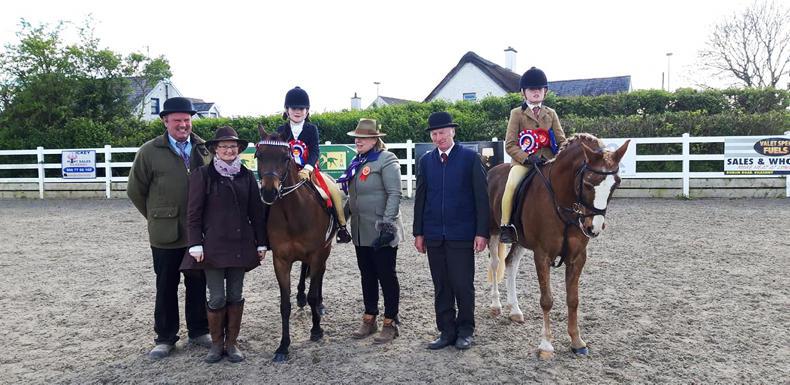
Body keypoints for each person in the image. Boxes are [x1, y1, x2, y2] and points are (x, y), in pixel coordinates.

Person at [127, 97, 212, 359]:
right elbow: (135, 191)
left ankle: (199, 330)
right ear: (165, 121)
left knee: (197, 282)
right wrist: (156, 217)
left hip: (198, 233)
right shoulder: (149, 152)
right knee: (166, 285)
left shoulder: (203, 149)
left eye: (187, 120)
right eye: (177, 120)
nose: (183, 125)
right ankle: (165, 337)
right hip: (165, 234)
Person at [179, 126, 267, 363]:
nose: (229, 150)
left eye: (233, 146)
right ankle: (217, 343)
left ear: (238, 149)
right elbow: (193, 214)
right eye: (224, 146)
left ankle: (232, 343)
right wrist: (195, 243)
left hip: (241, 244)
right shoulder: (202, 175)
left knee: (236, 294)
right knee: (217, 297)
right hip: (213, 246)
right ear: (215, 150)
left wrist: (261, 243)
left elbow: (256, 213)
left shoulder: (247, 176)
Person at [413, 111, 489, 350]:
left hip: (462, 233)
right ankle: (446, 331)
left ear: (452, 131)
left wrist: (482, 232)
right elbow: (421, 199)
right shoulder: (426, 161)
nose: (438, 137)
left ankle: (466, 330)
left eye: (442, 132)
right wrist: (419, 232)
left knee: (462, 284)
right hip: (434, 234)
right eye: (434, 133)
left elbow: (481, 199)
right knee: (441, 286)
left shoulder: (470, 159)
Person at [337, 119, 404, 344]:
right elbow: (352, 198)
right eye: (356, 138)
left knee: (386, 275)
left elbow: (395, 193)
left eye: (363, 138)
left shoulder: (387, 159)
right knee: (367, 275)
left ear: (375, 139)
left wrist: (387, 225)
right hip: (360, 230)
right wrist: (340, 220)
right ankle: (369, 317)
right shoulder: (357, 161)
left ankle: (390, 321)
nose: (358, 141)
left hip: (381, 230)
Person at [499, 67, 567, 244]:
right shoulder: (517, 113)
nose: (536, 92)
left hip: (549, 161)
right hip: (525, 163)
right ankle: (506, 226)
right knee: (511, 186)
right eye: (531, 89)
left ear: (545, 91)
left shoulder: (551, 113)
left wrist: (558, 157)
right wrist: (526, 158)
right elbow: (510, 144)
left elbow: (562, 141)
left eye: (539, 89)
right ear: (523, 92)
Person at [275, 86, 351, 243]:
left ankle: (341, 227)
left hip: (311, 171)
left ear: (307, 110)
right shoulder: (281, 130)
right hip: (286, 174)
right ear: (287, 109)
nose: (298, 111)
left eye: (302, 108)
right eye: (294, 108)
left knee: (333, 191)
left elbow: (315, 151)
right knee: (269, 195)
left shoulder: (311, 129)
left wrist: (307, 168)